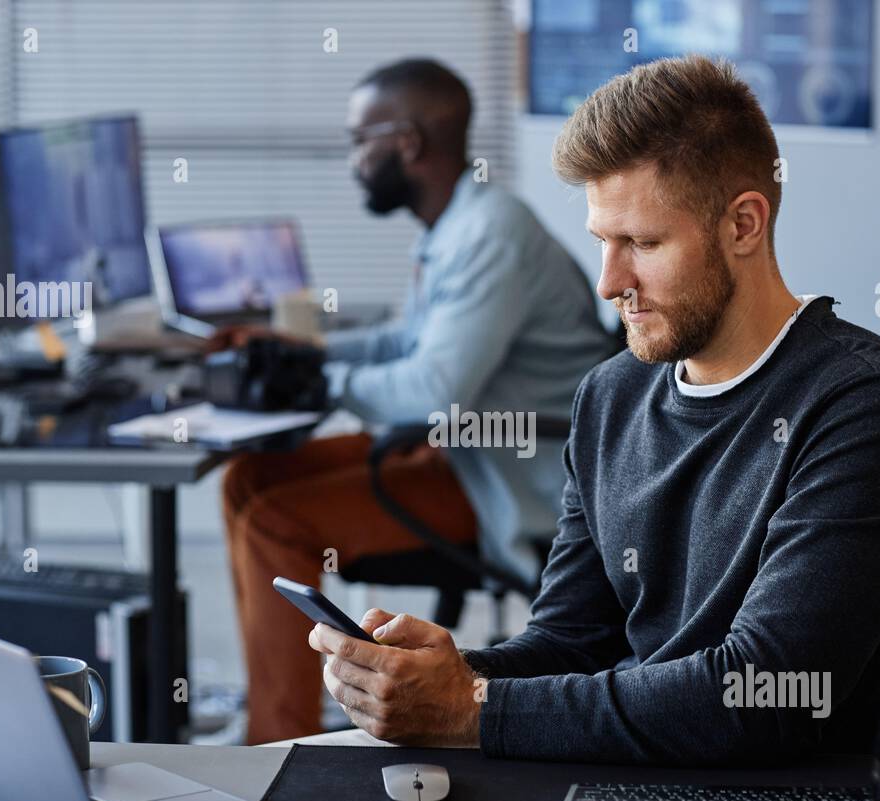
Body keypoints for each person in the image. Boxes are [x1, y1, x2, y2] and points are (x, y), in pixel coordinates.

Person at [308, 55, 880, 765]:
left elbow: (768, 694)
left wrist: (470, 707)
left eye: (642, 243)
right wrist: (447, 678)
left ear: (743, 225)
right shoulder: (610, 395)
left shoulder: (871, 405)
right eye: (602, 242)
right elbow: (572, 644)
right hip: (649, 779)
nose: (611, 284)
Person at [221, 59, 614, 745]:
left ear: (405, 141)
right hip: (467, 451)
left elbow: (434, 391)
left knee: (273, 520)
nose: (352, 159)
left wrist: (318, 387)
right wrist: (310, 354)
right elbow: (409, 340)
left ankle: (274, 744)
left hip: (520, 476)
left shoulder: (489, 233)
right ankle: (274, 708)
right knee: (247, 478)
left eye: (358, 140)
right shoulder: (454, 224)